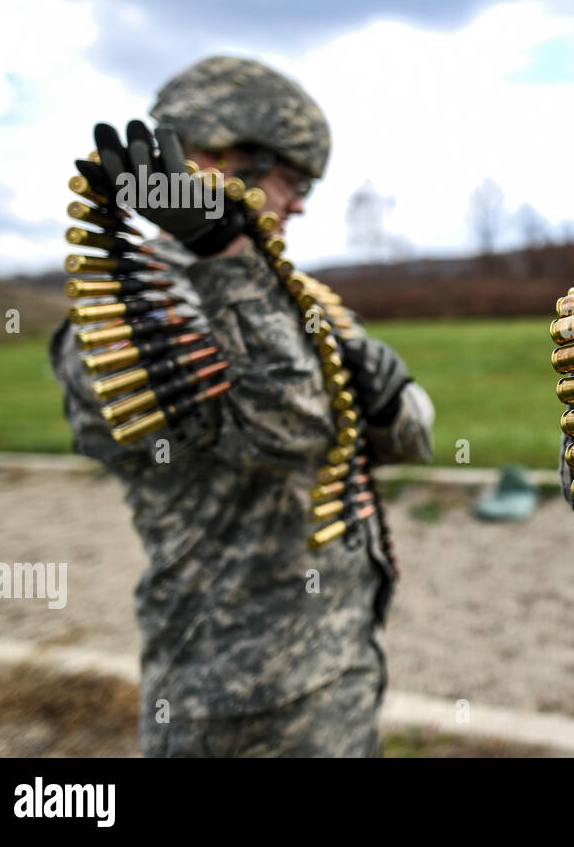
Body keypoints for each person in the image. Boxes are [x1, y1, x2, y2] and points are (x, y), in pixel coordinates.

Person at [49, 56, 435, 757]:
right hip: (230, 701)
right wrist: (223, 251)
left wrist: (390, 406)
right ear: (218, 160)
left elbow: (407, 436)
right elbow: (290, 433)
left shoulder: (286, 292)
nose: (300, 204)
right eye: (293, 180)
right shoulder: (123, 316)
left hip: (341, 665)